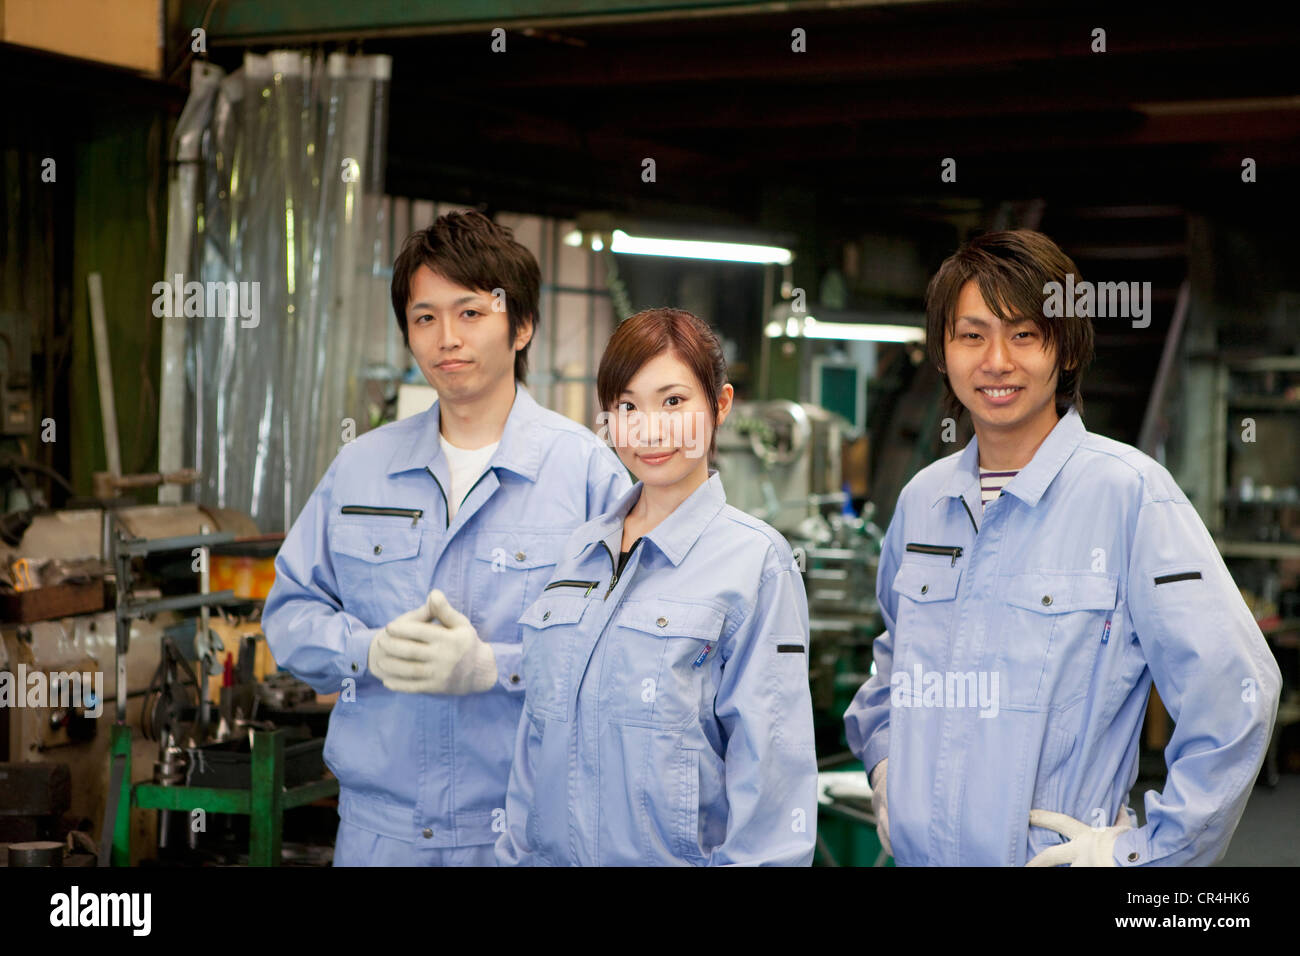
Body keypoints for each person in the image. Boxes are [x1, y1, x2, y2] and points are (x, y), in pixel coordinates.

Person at [844, 230, 1281, 866]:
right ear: (943, 350)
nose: (996, 360)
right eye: (972, 335)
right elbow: (890, 667)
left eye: (1024, 334)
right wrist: (887, 770)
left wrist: (1147, 854)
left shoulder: (1128, 495)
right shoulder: (923, 502)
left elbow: (1237, 688)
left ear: (1065, 347)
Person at [263, 210, 631, 866]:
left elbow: (624, 659)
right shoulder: (361, 468)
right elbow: (290, 616)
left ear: (521, 326)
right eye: (424, 317)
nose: (446, 339)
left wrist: (497, 668)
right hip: (379, 838)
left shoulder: (585, 475)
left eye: (470, 313)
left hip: (524, 836)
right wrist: (366, 651)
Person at [495, 308, 818, 866]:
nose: (649, 428)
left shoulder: (756, 564)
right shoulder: (578, 554)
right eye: (627, 406)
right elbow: (533, 748)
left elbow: (772, 793)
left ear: (719, 406)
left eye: (673, 402)